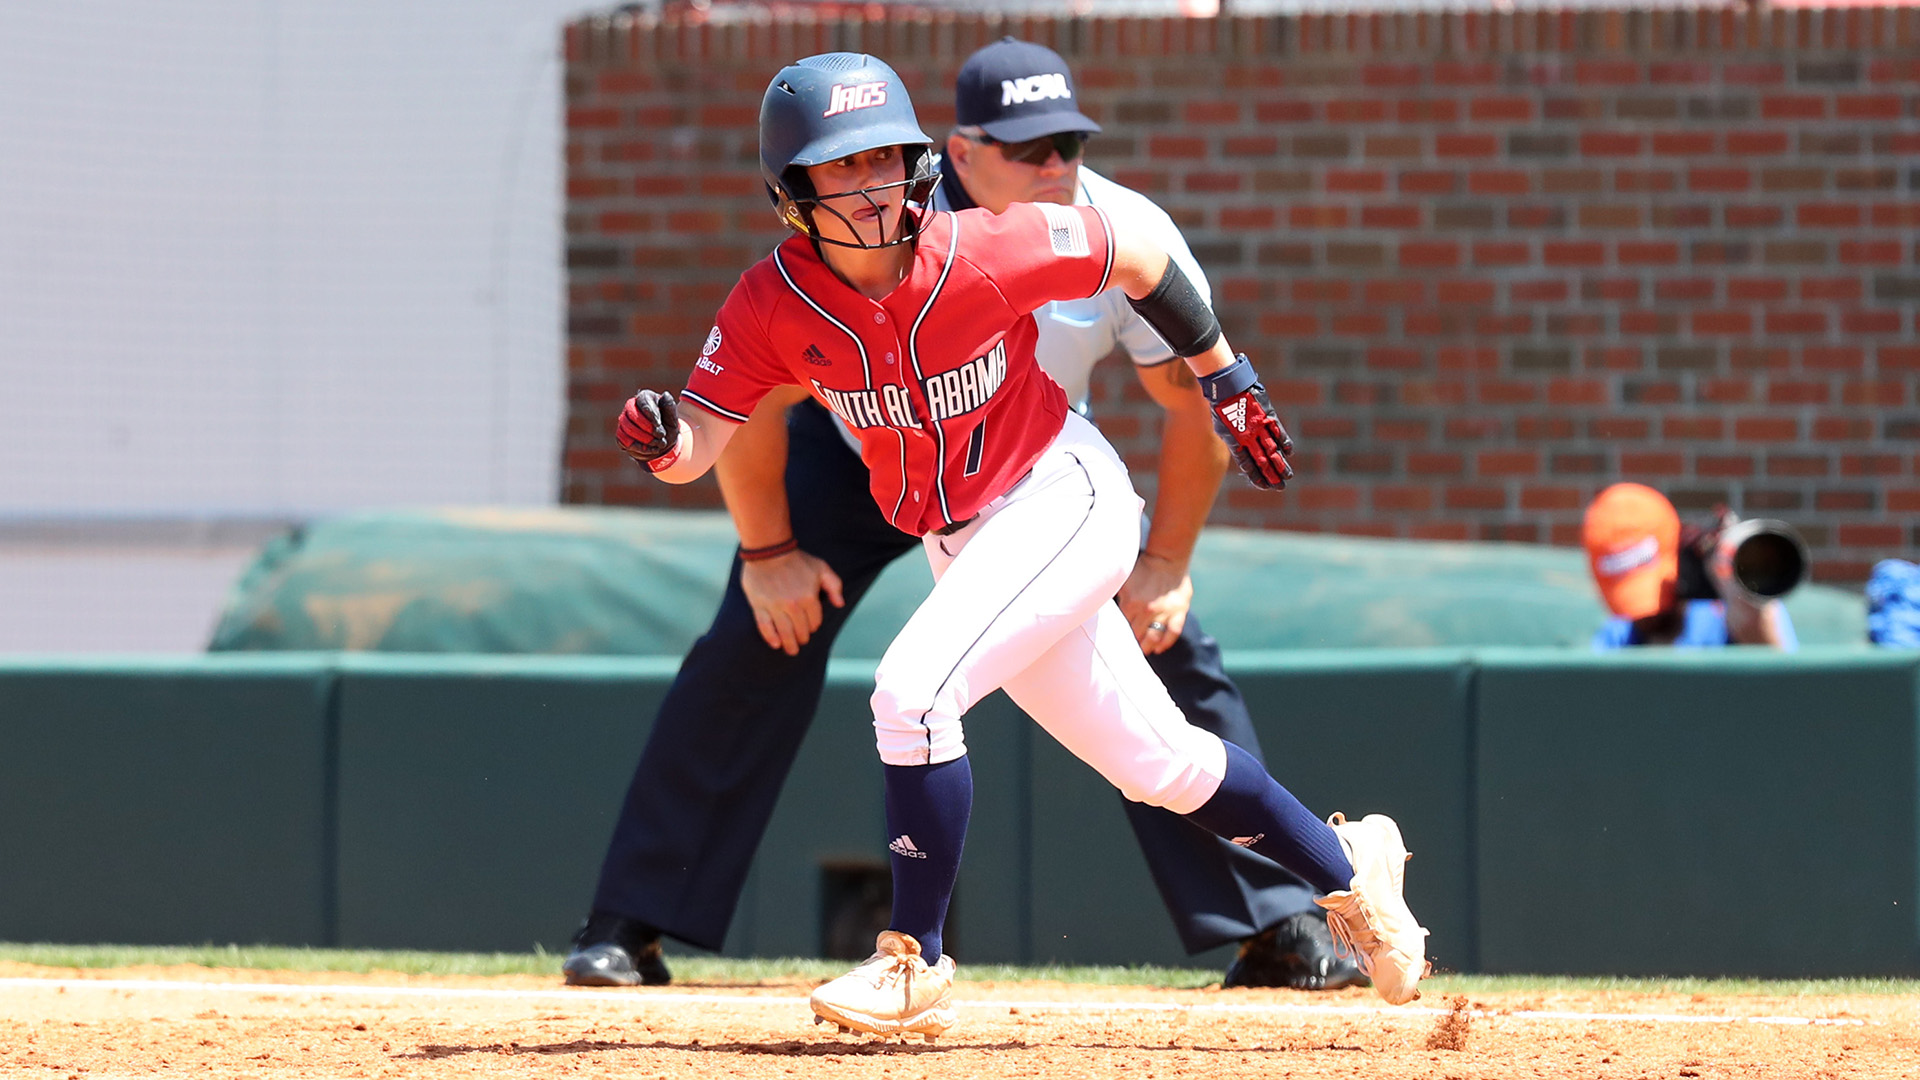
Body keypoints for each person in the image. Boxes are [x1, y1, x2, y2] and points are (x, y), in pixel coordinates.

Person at [610, 51, 1428, 1038]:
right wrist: (664, 442)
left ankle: (913, 958)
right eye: (841, 168)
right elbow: (704, 437)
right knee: (1160, 766)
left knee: (911, 689)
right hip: (960, 536)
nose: (872, 187)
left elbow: (1138, 257)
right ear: (792, 191)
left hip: (1060, 495)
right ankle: (1353, 869)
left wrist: (1225, 373)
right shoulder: (768, 302)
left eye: (885, 160)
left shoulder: (983, 245)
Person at [1585, 483, 1798, 650]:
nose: (1644, 615)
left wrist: (1756, 631)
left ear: (1676, 552)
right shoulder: (1619, 634)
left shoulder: (1726, 613)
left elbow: (1793, 693)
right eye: (1627, 600)